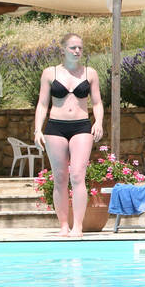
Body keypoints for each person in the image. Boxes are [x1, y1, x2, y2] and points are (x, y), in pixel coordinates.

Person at [34, 33, 104, 237]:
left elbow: (97, 102)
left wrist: (98, 121)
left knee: (77, 175)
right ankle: (64, 225)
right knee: (60, 178)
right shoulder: (50, 73)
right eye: (73, 47)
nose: (77, 51)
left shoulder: (90, 73)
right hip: (55, 127)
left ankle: (78, 226)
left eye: (80, 48)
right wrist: (38, 129)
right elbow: (42, 104)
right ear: (63, 49)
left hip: (81, 126)